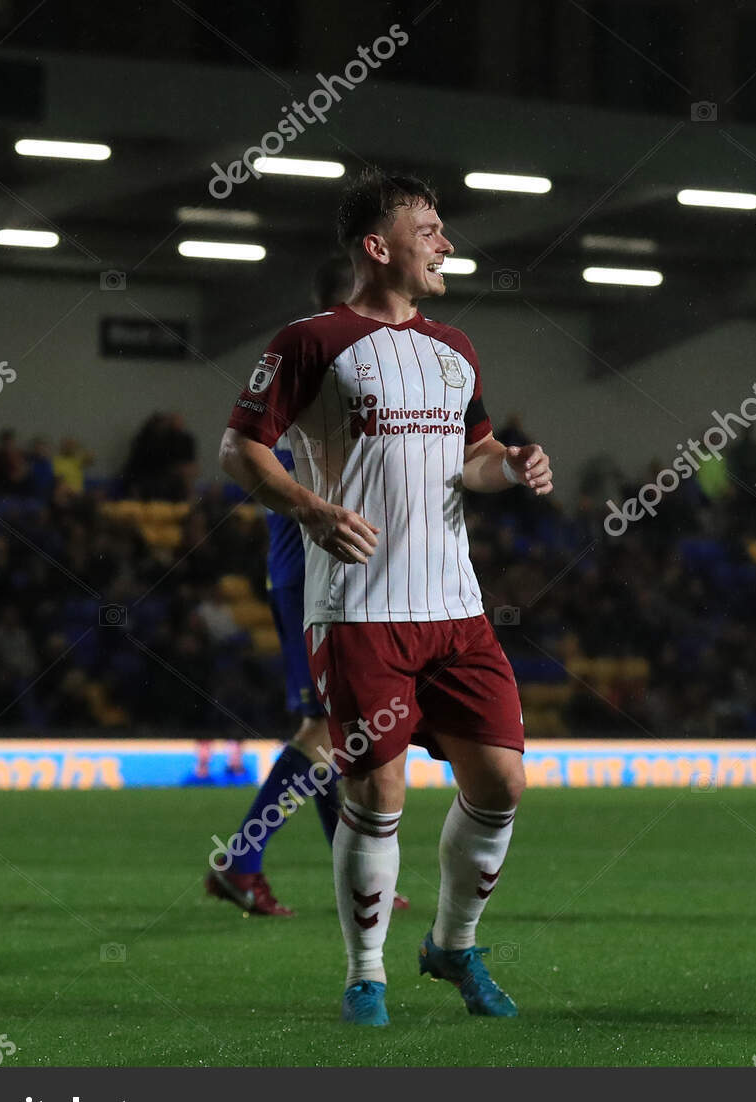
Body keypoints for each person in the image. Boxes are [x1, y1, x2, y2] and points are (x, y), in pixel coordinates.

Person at [217, 168, 552, 1027]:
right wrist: (311, 509)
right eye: (431, 229)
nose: (447, 243)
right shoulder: (309, 341)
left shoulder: (456, 349)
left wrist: (508, 465)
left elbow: (472, 455)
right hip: (360, 608)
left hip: (457, 609)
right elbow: (238, 450)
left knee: (504, 782)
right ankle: (366, 974)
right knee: (377, 799)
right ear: (379, 247)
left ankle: (451, 945)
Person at [204, 256, 412, 920]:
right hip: (308, 575)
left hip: (315, 570)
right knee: (324, 726)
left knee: (336, 726)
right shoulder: (318, 362)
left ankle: (351, 873)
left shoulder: (320, 364)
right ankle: (239, 858)